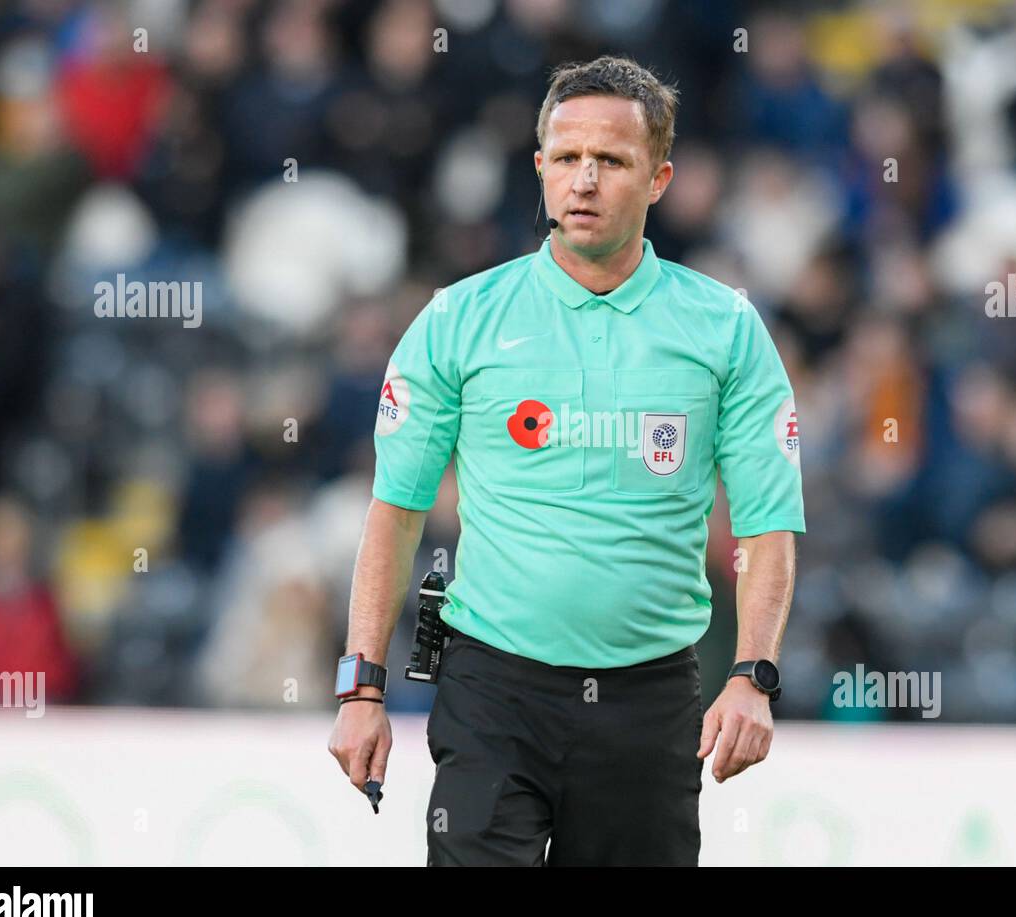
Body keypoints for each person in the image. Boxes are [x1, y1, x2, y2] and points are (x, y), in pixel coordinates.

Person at [328, 55, 805, 866]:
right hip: (491, 691)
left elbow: (766, 523)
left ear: (658, 179)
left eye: (612, 161)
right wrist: (361, 687)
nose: (584, 179)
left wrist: (753, 675)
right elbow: (396, 511)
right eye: (567, 158)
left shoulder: (724, 329)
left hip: (649, 700)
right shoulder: (458, 320)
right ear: (540, 167)